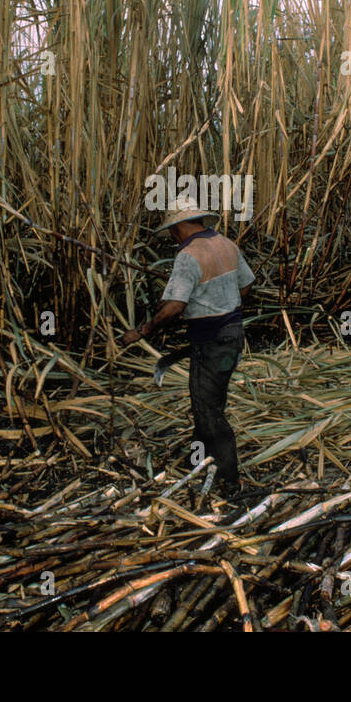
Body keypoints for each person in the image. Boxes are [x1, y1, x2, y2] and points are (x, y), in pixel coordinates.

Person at [118, 194, 254, 493]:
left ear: (178, 226)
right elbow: (245, 285)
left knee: (208, 412)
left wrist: (141, 331)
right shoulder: (226, 244)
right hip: (233, 337)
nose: (172, 236)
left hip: (212, 343)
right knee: (207, 403)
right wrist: (217, 302)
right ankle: (198, 464)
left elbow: (173, 307)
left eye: (171, 231)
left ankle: (230, 482)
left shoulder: (188, 255)